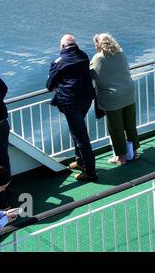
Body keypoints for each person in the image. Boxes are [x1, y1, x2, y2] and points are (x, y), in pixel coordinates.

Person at [46, 34, 97, 182]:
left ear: (62, 46)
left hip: (71, 102)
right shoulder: (83, 56)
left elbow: (49, 84)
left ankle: (90, 171)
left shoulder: (59, 62)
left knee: (81, 137)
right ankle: (80, 161)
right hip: (86, 99)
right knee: (77, 131)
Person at [90, 33, 139, 165]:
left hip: (112, 98)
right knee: (130, 125)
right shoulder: (121, 53)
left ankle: (121, 157)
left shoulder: (98, 58)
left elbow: (91, 73)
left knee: (116, 128)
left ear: (99, 45)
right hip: (128, 93)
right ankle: (134, 152)